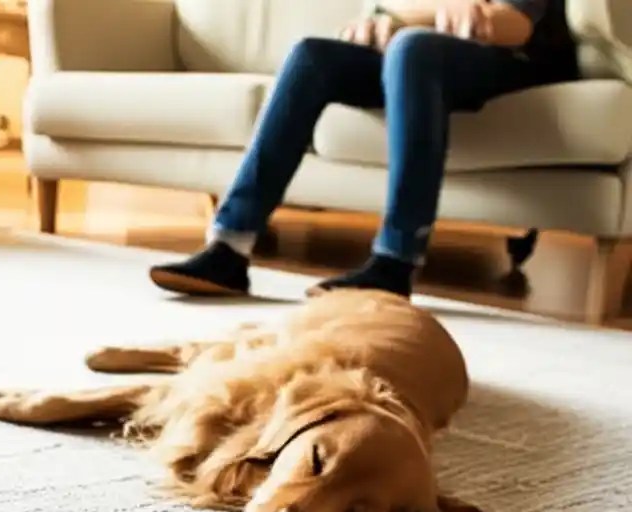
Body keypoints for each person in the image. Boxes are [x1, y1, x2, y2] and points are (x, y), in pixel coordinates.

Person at [149, 0, 578, 299]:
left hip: (517, 62)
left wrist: (446, 15)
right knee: (312, 55)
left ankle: (396, 260)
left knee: (412, 45)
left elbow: (513, 25)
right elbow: (391, 10)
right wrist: (384, 18)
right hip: (423, 58)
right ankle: (229, 247)